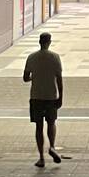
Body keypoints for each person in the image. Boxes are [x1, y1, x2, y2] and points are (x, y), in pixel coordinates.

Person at [23, 31, 63, 167]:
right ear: (49, 42)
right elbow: (59, 79)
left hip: (36, 97)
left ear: (39, 42)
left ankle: (41, 157)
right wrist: (61, 97)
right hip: (51, 96)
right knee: (51, 123)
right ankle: (52, 146)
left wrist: (34, 77)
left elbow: (25, 78)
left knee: (39, 127)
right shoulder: (55, 57)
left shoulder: (31, 57)